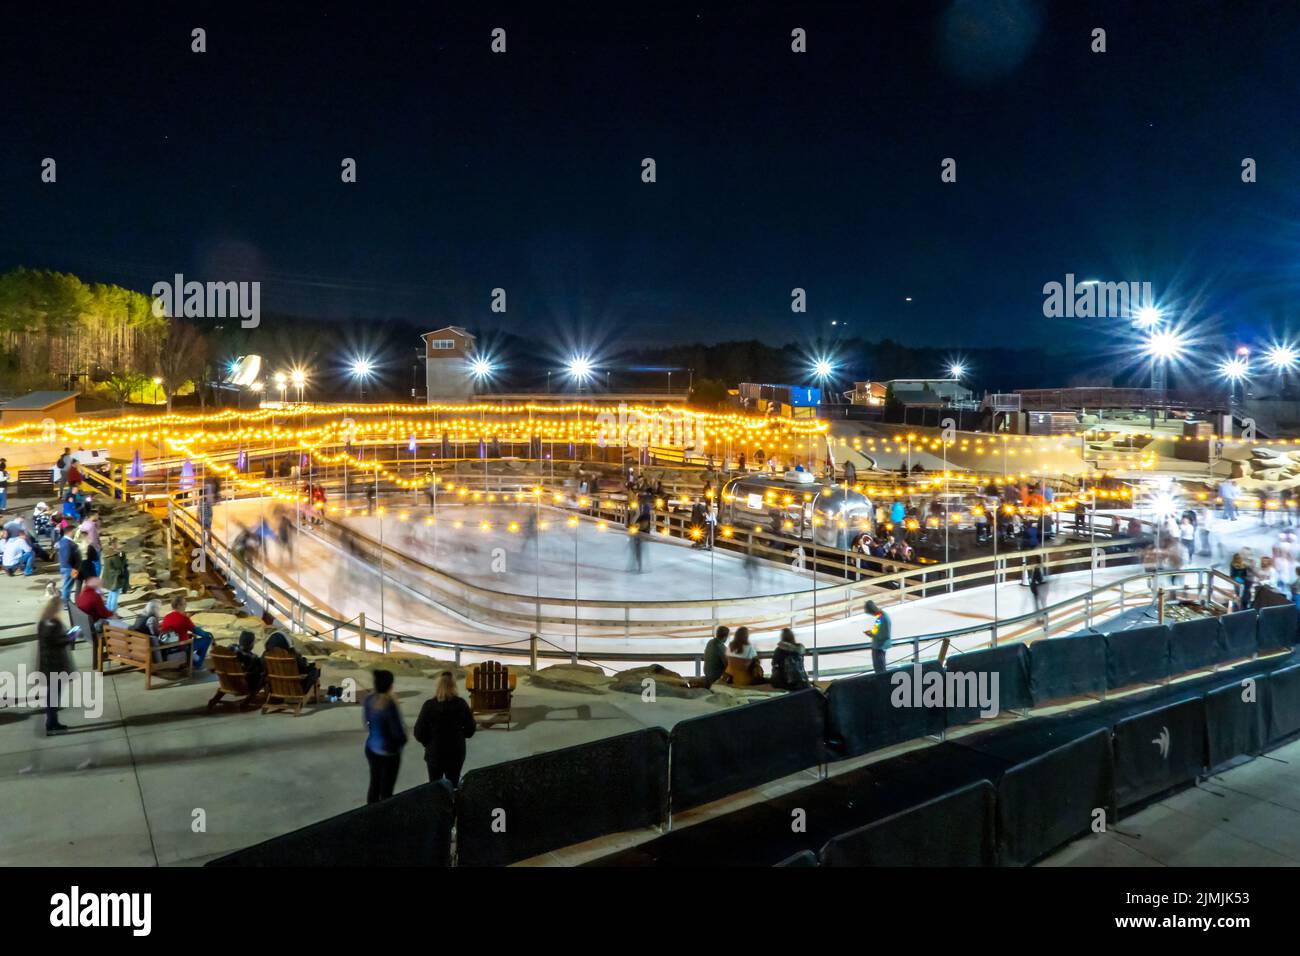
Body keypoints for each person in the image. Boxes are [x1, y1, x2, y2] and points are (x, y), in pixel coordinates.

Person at [413, 671, 477, 787]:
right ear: (453, 686)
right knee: (454, 783)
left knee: (435, 786)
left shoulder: (429, 705)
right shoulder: (461, 704)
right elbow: (470, 730)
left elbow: (418, 732)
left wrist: (428, 743)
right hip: (455, 753)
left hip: (434, 753)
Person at [363, 669, 407, 803]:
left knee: (374, 783)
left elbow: (366, 723)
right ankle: (383, 817)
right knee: (386, 789)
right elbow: (397, 732)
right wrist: (402, 741)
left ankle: (370, 813)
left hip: (371, 747)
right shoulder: (389, 704)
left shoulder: (369, 699)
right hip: (389, 752)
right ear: (390, 685)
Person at [37, 595, 73, 735]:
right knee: (54, 695)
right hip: (55, 664)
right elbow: (58, 641)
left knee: (52, 694)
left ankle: (52, 721)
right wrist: (72, 636)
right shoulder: (53, 623)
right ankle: (51, 723)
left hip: (47, 663)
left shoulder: (43, 622)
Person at [159, 593, 214, 668]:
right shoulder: (184, 618)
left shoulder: (167, 617)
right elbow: (198, 632)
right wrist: (209, 634)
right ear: (179, 605)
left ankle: (194, 659)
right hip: (181, 646)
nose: (186, 605)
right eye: (184, 604)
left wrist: (189, 635)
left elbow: (175, 630)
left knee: (195, 639)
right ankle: (197, 664)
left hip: (169, 647)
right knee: (207, 639)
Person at [230, 630, 266, 695]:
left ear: (240, 640)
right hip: (246, 685)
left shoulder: (231, 648)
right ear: (251, 644)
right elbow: (261, 670)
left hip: (229, 682)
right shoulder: (253, 658)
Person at [100, 539, 129, 612]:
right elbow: (120, 565)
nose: (118, 545)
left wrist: (121, 553)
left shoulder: (108, 553)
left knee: (111, 594)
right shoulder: (114, 555)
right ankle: (112, 612)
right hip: (115, 578)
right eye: (117, 543)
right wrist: (122, 555)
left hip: (109, 577)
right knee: (115, 595)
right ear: (113, 545)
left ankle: (108, 609)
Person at [865, 600, 891, 675]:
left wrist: (873, 634)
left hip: (879, 647)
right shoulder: (880, 616)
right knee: (879, 669)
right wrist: (872, 633)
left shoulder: (883, 617)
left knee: (880, 670)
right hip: (877, 646)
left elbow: (886, 635)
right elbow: (876, 629)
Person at [55, 525, 81, 603]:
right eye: (75, 531)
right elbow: (67, 557)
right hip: (69, 568)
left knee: (67, 585)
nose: (76, 533)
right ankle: (65, 603)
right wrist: (74, 567)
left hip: (66, 567)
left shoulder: (62, 541)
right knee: (67, 586)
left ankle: (66, 601)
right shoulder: (67, 543)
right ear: (71, 532)